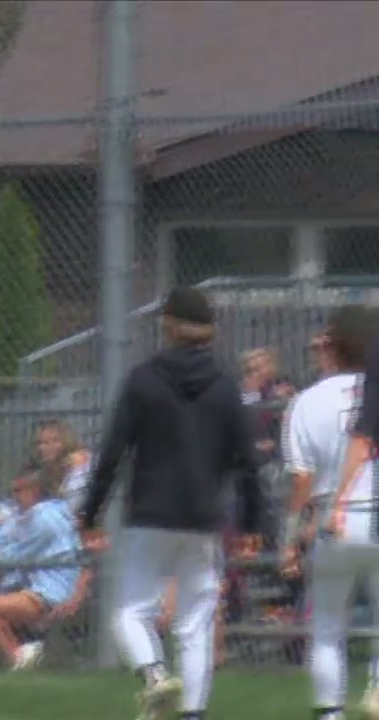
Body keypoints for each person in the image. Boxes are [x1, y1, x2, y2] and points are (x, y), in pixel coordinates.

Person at [80, 287, 264, 720]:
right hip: (203, 518)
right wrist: (254, 525)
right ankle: (193, 714)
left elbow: (112, 453)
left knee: (129, 611)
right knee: (195, 625)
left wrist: (90, 513)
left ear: (169, 325)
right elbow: (248, 463)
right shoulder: (224, 386)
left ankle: (155, 675)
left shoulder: (143, 378)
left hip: (149, 514)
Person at [286, 306, 379, 720]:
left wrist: (290, 535)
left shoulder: (307, 400)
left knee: (326, 627)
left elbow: (301, 480)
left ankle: (330, 714)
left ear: (334, 346)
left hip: (332, 518)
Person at [0, 468, 81, 671]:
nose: (13, 497)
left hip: (50, 594)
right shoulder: (54, 511)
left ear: (34, 490)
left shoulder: (43, 518)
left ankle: (18, 657)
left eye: (18, 491)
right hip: (41, 589)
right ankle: (15, 657)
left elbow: (8, 559)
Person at [34, 419, 93, 516]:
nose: (50, 446)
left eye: (55, 441)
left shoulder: (80, 465)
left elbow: (73, 506)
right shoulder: (43, 472)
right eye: (44, 442)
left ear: (67, 441)